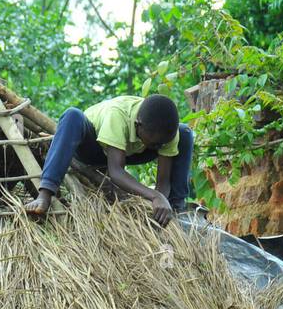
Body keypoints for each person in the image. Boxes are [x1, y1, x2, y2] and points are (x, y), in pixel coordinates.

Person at [23, 94, 194, 225]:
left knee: (185, 133)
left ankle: (176, 207)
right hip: (92, 147)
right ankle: (45, 194)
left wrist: (161, 203)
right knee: (72, 115)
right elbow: (116, 172)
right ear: (138, 124)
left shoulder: (164, 133)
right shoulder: (117, 115)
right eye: (156, 144)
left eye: (162, 145)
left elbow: (163, 182)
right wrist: (155, 196)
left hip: (130, 152)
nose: (158, 148)